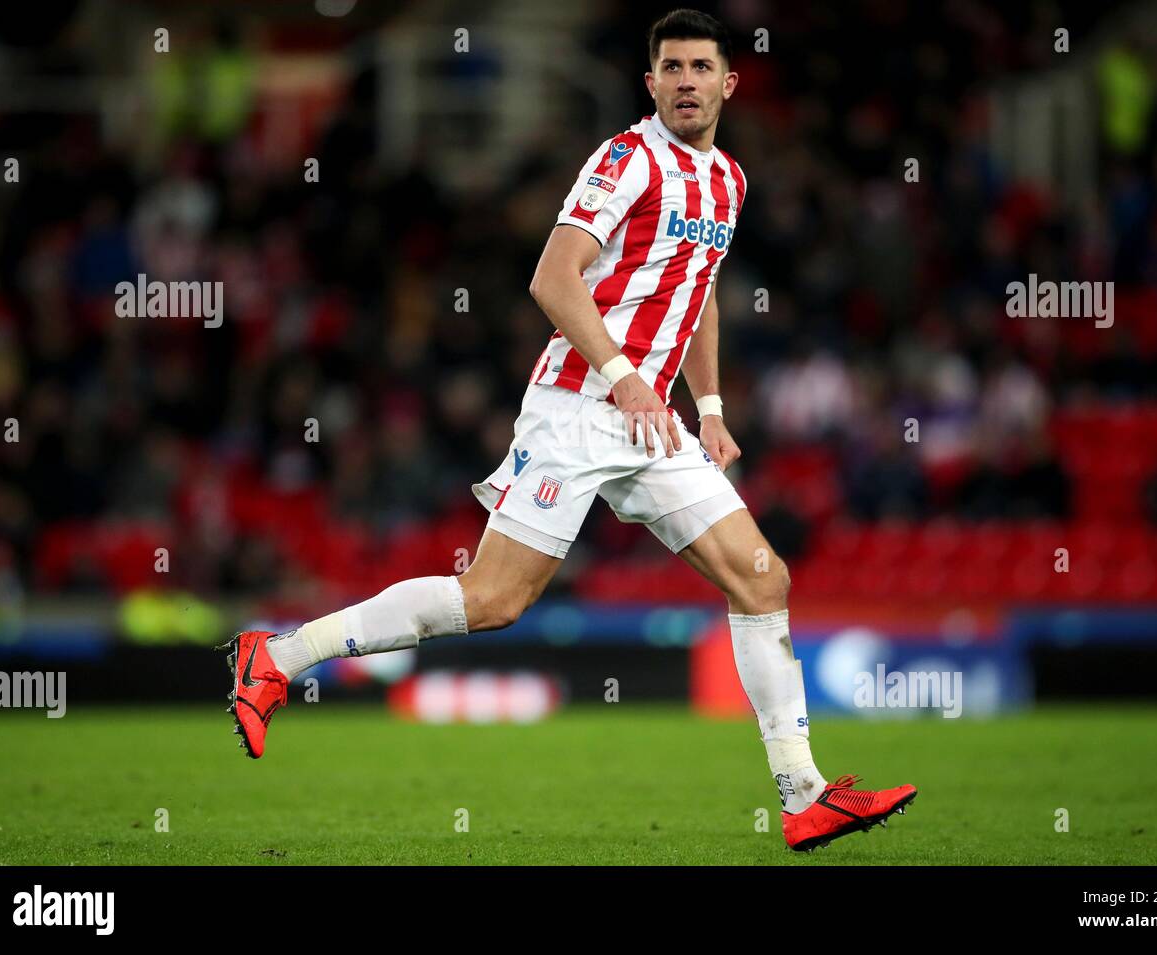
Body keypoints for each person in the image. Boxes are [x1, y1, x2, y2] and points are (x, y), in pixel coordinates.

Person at [222, 8, 915, 852]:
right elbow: (553, 278)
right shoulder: (627, 159)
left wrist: (713, 410)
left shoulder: (728, 180)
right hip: (582, 409)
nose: (688, 81)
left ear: (730, 82)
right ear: (650, 81)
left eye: (703, 67)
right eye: (673, 68)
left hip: (654, 420)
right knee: (493, 599)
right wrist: (625, 379)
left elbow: (695, 297)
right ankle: (279, 657)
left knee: (763, 578)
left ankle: (805, 795)